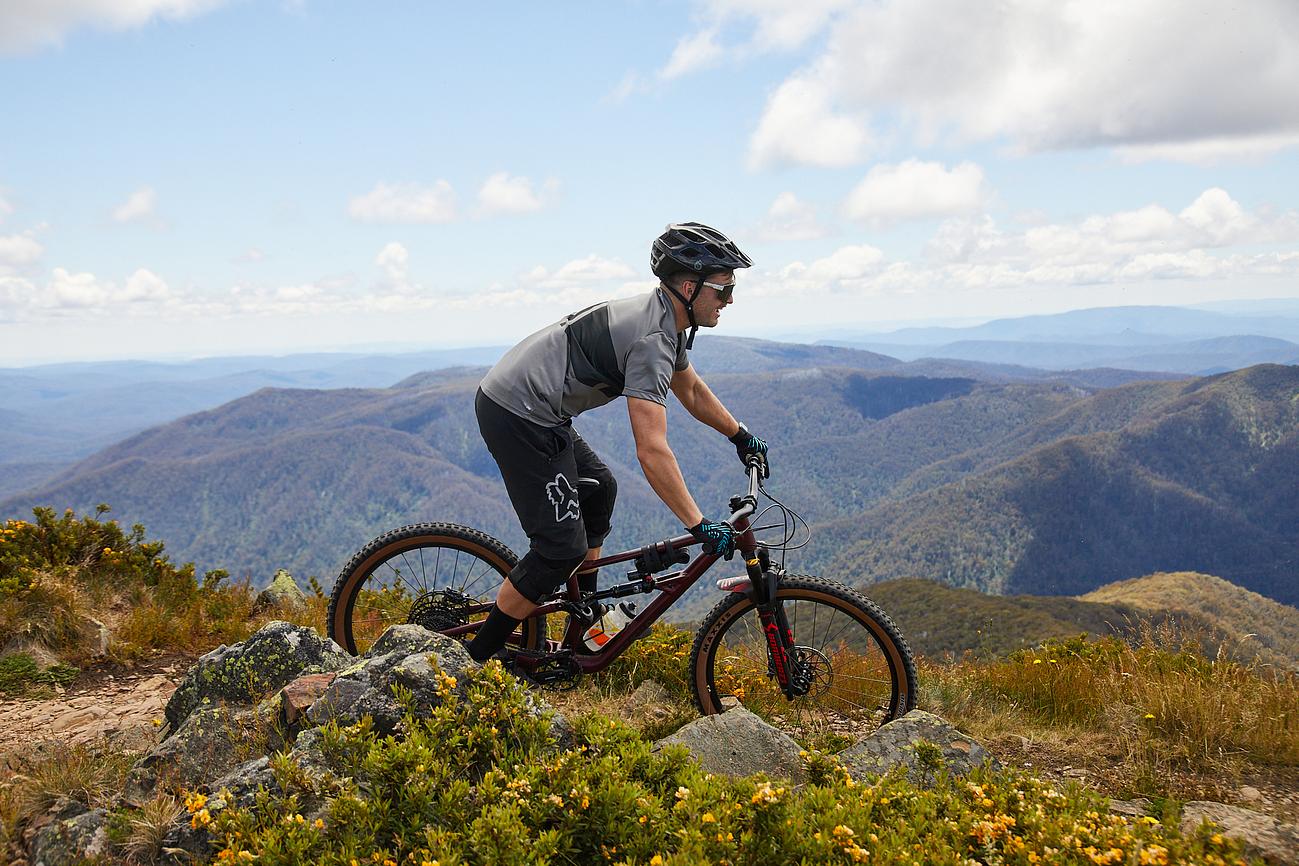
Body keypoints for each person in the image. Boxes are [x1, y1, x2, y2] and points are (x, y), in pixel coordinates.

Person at [467, 221, 770, 664]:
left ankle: (581, 612)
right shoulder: (652, 339)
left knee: (601, 488)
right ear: (690, 286)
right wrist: (697, 523)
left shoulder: (666, 319)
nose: (729, 300)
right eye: (723, 290)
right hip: (517, 412)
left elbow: (690, 391)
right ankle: (475, 661)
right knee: (559, 549)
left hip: (541, 409)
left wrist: (739, 435)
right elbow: (651, 449)